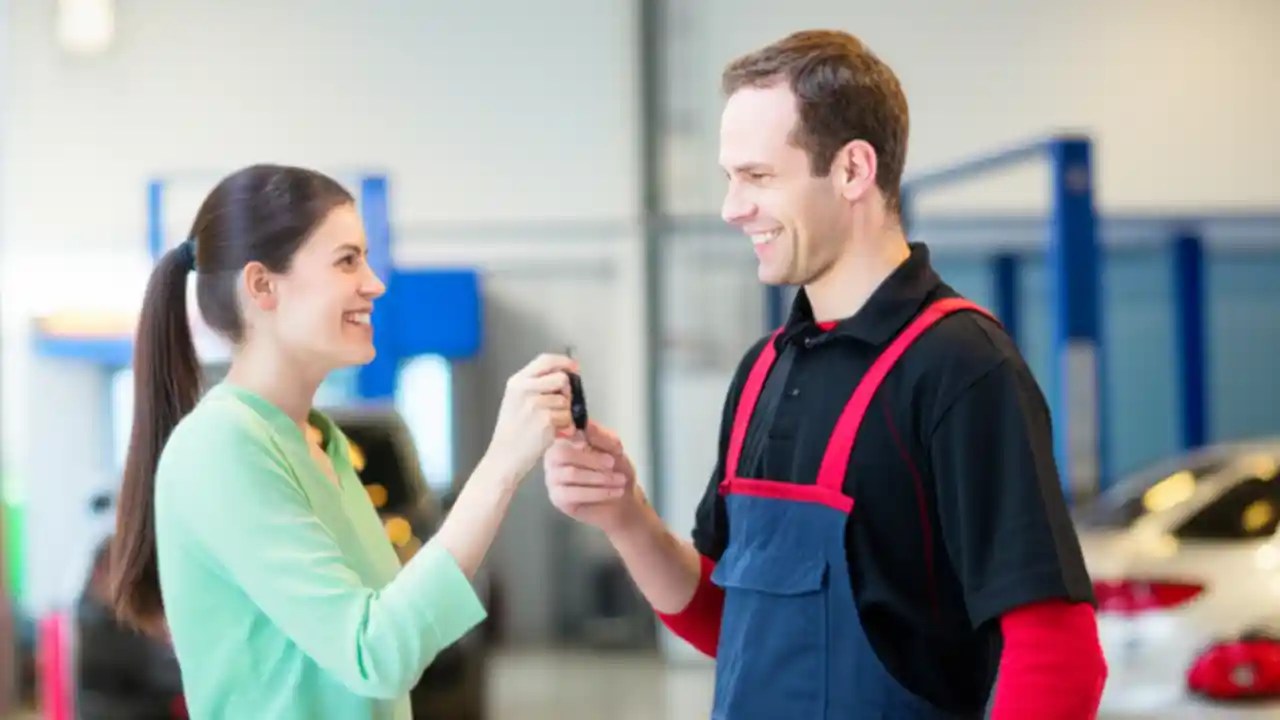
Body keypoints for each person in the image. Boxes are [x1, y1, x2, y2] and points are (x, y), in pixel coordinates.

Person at [544, 30, 1108, 719]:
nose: (731, 208)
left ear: (852, 170)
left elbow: (1056, 655)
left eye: (758, 177)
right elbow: (734, 624)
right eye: (730, 179)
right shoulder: (762, 372)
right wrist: (623, 517)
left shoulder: (961, 366)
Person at [108, 164, 594, 719]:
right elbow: (374, 653)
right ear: (262, 285)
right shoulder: (222, 446)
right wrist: (502, 464)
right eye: (347, 260)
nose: (374, 282)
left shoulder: (323, 441)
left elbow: (391, 640)